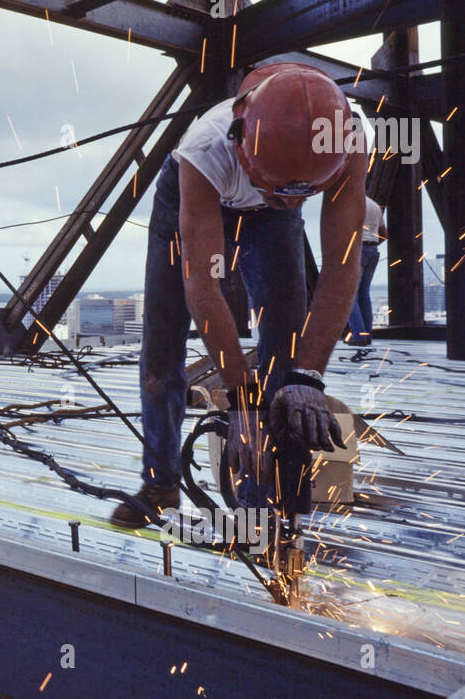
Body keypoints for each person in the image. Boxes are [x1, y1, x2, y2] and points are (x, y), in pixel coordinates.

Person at [112, 62, 367, 526]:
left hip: (269, 216)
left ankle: (266, 501)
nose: (294, 204)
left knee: (286, 350)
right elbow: (204, 287)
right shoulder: (205, 148)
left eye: (301, 196)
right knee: (161, 349)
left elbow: (342, 266)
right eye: (283, 194)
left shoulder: (346, 139)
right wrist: (241, 399)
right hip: (192, 201)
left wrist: (307, 377)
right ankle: (161, 484)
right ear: (240, 142)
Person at [346, 195, 387, 345]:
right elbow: (384, 235)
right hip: (373, 251)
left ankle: (359, 336)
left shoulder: (350, 202)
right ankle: (367, 335)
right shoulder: (375, 205)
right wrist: (370, 246)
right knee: (364, 294)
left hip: (357, 250)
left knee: (350, 296)